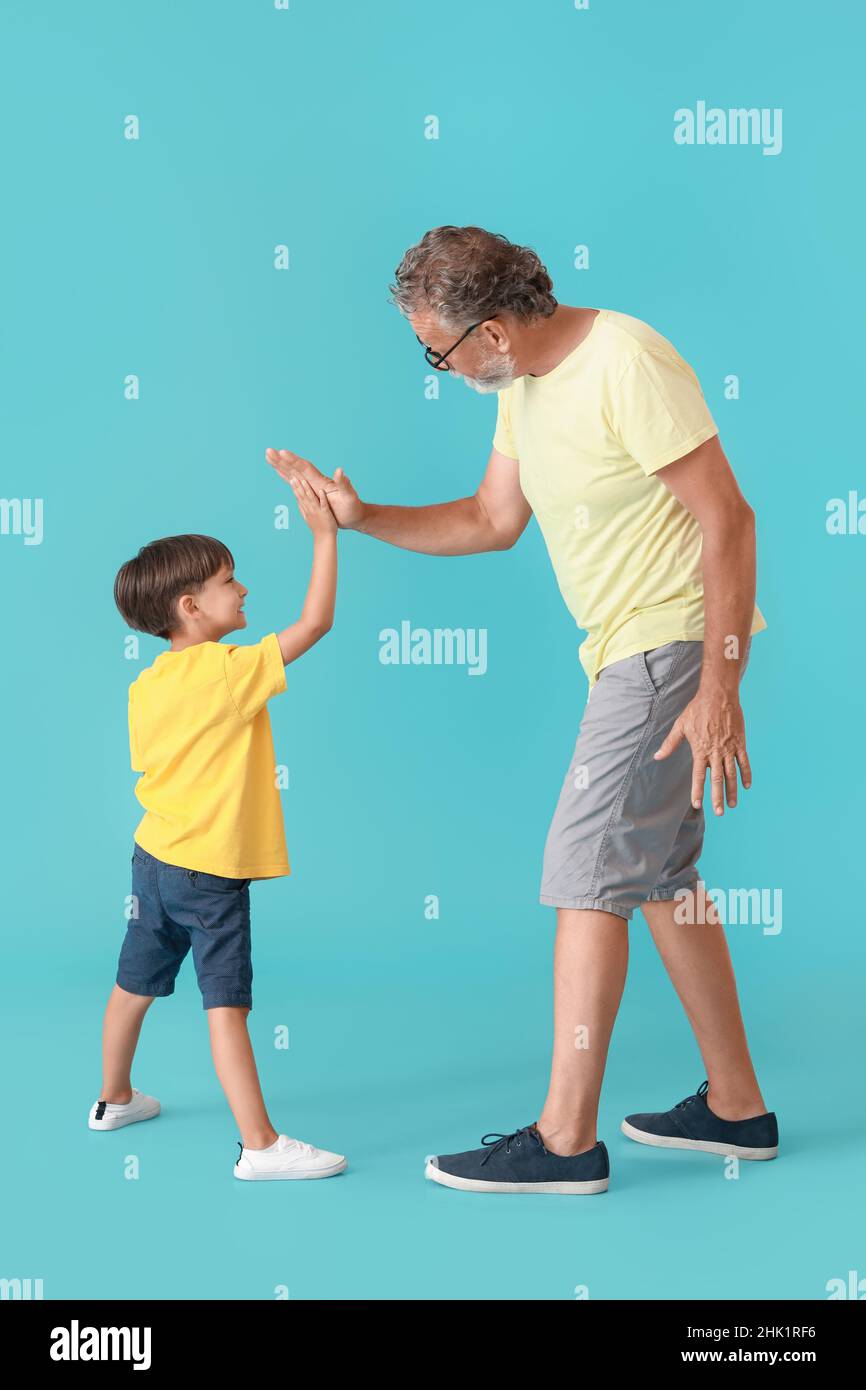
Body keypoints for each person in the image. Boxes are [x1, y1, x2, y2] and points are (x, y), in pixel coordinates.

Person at [265, 224, 779, 1196]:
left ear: (491, 332)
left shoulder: (624, 361)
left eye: (438, 350)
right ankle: (735, 1105)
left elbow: (728, 517)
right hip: (627, 650)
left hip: (665, 642)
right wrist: (358, 517)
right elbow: (490, 520)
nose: (438, 367)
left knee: (583, 871)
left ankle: (563, 1140)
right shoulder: (523, 390)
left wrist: (720, 681)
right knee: (663, 872)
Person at [88, 473, 349, 1182]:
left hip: (155, 860)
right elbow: (316, 622)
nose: (244, 590)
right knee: (225, 1006)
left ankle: (113, 1100)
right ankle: (260, 1146)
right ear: (191, 605)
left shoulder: (148, 684)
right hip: (210, 871)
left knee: (134, 982)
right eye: (231, 581)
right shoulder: (229, 672)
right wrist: (326, 536)